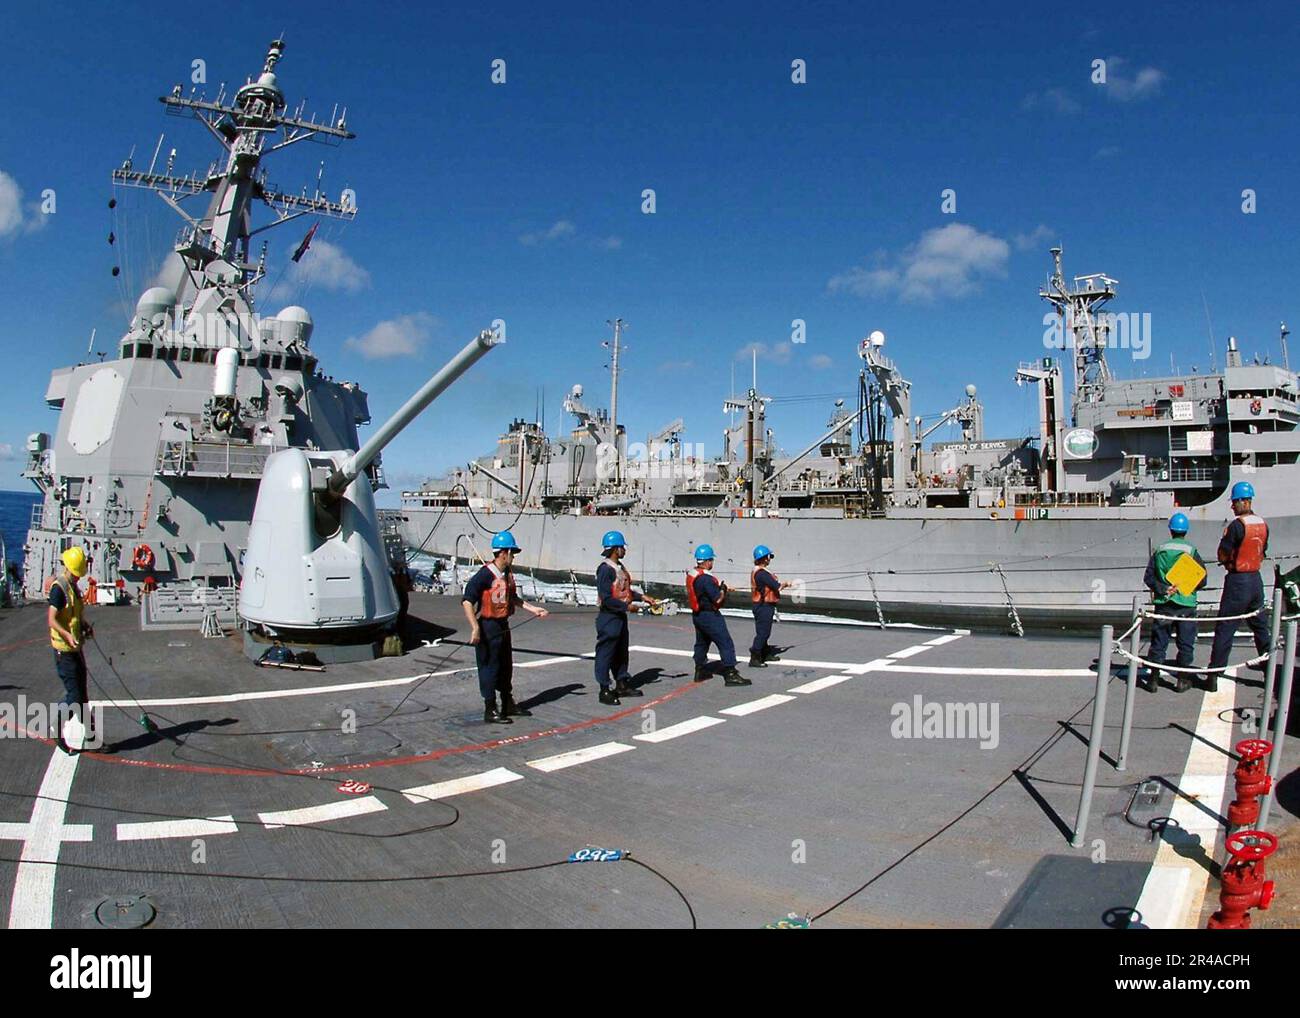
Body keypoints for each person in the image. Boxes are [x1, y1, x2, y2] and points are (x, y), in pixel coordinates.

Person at [461, 531, 548, 723]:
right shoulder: (485, 574)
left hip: (502, 625)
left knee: (505, 666)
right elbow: (467, 601)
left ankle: (507, 703)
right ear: (503, 553)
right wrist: (475, 628)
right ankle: (490, 709)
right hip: (488, 626)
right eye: (512, 552)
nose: (514, 556)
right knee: (489, 667)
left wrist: (534, 609)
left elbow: (513, 598)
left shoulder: (507, 574)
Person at [1206, 481, 1271, 691]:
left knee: (1226, 627)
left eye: (1234, 502)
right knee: (1261, 628)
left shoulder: (1236, 526)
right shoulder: (1262, 524)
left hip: (1237, 581)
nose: (1233, 506)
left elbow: (1223, 552)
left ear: (1243, 501)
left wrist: (1227, 562)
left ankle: (1214, 674)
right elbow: (1264, 549)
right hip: (1256, 580)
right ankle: (1269, 670)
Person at [1140, 513, 1207, 693]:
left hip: (1164, 603)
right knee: (1185, 643)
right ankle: (1182, 681)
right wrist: (1183, 586)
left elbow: (1149, 577)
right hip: (1186, 603)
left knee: (1159, 641)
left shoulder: (1160, 549)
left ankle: (1153, 681)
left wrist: (1163, 589)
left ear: (1170, 529)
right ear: (1186, 530)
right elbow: (1202, 580)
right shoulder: (1191, 551)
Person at [593, 530, 660, 706]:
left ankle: (621, 683)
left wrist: (642, 597)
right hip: (609, 618)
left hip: (619, 617)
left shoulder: (619, 568)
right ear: (616, 549)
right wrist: (627, 607)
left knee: (621, 652)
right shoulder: (605, 570)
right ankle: (604, 689)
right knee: (605, 654)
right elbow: (606, 598)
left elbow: (624, 590)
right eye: (622, 547)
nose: (624, 550)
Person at [47, 547, 93, 753]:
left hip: (75, 648)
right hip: (64, 651)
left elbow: (74, 614)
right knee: (74, 696)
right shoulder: (59, 589)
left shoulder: (73, 588)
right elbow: (52, 619)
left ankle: (92, 738)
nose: (78, 576)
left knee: (82, 696)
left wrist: (84, 626)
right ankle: (58, 728)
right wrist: (66, 635)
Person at [685, 544, 750, 686]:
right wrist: (723, 590)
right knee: (725, 642)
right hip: (710, 615)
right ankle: (730, 674)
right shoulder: (706, 579)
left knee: (702, 643)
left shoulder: (693, 574)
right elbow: (718, 599)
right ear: (708, 561)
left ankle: (700, 670)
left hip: (698, 616)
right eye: (711, 560)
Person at [748, 544, 791, 667]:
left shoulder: (758, 571)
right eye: (769, 556)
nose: (770, 558)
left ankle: (765, 652)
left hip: (761, 605)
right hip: (764, 606)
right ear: (765, 558)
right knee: (763, 633)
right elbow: (777, 586)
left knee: (763, 631)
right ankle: (755, 657)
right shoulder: (762, 574)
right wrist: (787, 584)